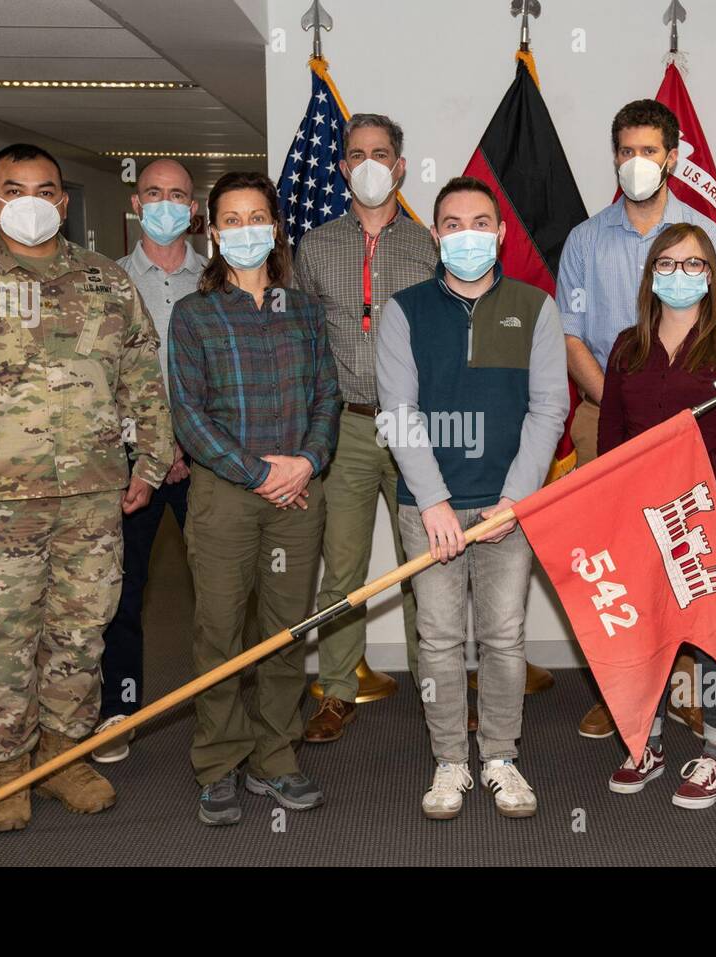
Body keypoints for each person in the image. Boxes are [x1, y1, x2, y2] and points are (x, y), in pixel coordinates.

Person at [0, 143, 173, 832]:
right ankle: (8, 765)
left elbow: (143, 378)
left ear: (64, 201)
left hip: (92, 500)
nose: (32, 201)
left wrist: (152, 463)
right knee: (0, 636)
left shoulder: (106, 281)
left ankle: (63, 755)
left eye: (46, 189)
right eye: (14, 189)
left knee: (81, 633)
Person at [376, 176, 567, 820]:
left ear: (501, 232)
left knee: (505, 637)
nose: (466, 234)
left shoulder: (536, 307)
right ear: (436, 235)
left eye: (479, 222)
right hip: (425, 505)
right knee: (437, 639)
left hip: (507, 507)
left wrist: (515, 498)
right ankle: (451, 760)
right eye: (452, 224)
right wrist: (432, 502)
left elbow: (549, 408)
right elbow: (398, 413)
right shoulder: (403, 310)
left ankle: (503, 757)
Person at [558, 98, 716, 740]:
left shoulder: (707, 235)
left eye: (649, 151)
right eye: (626, 151)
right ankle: (621, 689)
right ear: (615, 158)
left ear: (672, 157)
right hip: (605, 416)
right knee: (620, 562)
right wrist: (623, 405)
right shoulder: (586, 239)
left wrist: (670, 413)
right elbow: (571, 335)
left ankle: (686, 689)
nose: (637, 163)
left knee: (687, 556)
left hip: (693, 431)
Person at [168, 170, 341, 827]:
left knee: (285, 630)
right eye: (231, 220)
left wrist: (306, 461)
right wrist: (256, 471)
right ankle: (218, 762)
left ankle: (276, 755)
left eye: (256, 217)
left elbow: (326, 393)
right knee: (219, 629)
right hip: (225, 495)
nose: (245, 230)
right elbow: (188, 414)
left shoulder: (303, 310)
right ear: (213, 232)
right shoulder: (193, 315)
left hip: (300, 491)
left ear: (276, 229)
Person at [598, 223, 716, 809]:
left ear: (712, 277)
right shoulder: (627, 345)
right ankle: (647, 744)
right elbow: (612, 434)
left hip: (714, 508)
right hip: (640, 512)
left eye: (694, 265)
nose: (680, 274)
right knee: (647, 630)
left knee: (713, 633)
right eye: (667, 263)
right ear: (650, 275)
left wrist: (696, 492)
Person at [292, 114, 437, 742]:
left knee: (426, 565)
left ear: (400, 166)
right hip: (347, 428)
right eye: (358, 154)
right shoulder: (315, 246)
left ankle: (439, 691)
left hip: (418, 430)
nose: (371, 164)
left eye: (383, 153)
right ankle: (337, 689)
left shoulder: (431, 244)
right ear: (344, 167)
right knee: (342, 566)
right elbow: (302, 341)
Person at [93, 158, 208, 764]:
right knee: (122, 591)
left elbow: (225, 380)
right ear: (136, 204)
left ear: (193, 210)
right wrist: (150, 454)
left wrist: (187, 446)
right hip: (130, 465)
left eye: (179, 195)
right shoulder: (104, 280)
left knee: (218, 590)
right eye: (153, 193)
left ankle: (223, 707)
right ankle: (120, 708)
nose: (166, 204)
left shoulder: (216, 279)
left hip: (207, 461)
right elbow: (98, 383)